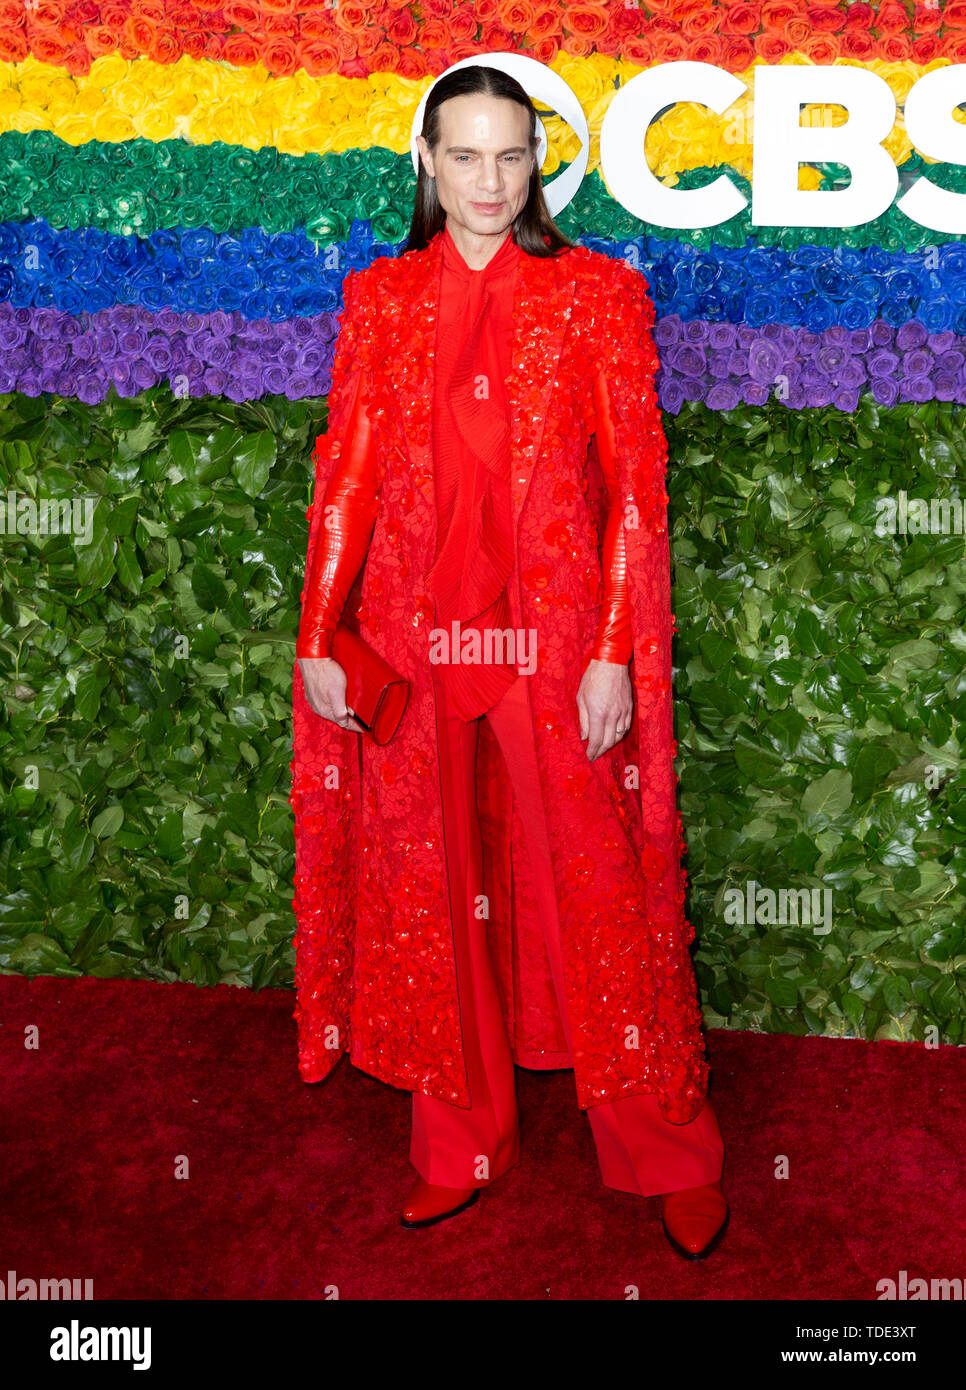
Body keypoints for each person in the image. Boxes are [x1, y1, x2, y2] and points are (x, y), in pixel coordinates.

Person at [291, 63, 728, 1261]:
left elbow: (637, 494)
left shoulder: (596, 295)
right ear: (425, 163)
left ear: (540, 165)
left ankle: (665, 1149)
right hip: (416, 643)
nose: (489, 183)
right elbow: (351, 479)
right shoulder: (379, 300)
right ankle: (458, 1147)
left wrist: (610, 658)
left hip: (552, 638)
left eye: (511, 156)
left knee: (593, 893)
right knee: (436, 898)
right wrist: (320, 631)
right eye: (465, 156)